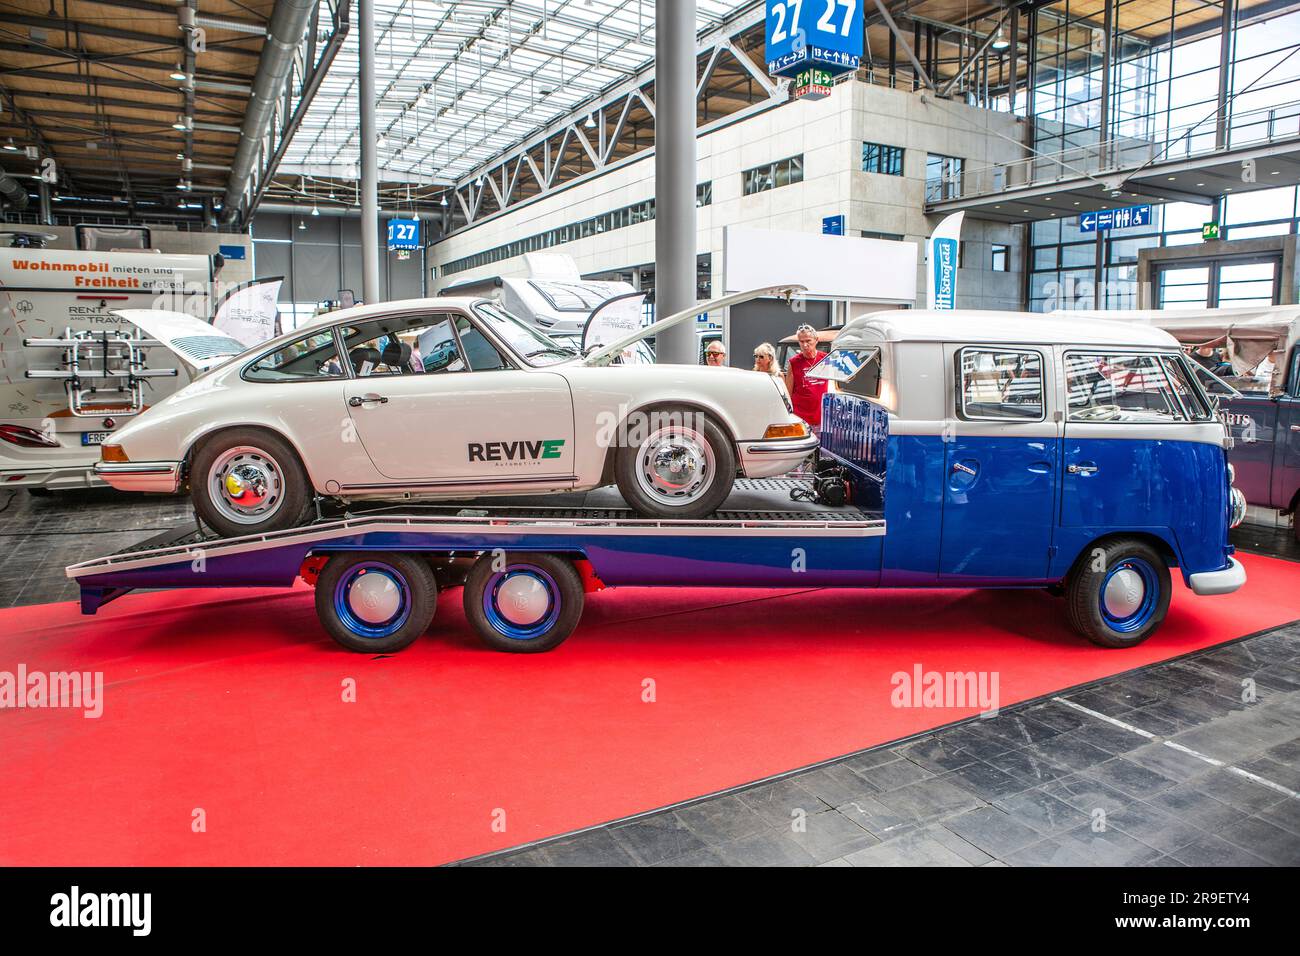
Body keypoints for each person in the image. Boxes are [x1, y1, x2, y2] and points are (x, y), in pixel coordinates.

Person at [784, 324, 827, 427]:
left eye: (808, 341)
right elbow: (788, 392)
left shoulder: (826, 359)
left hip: (822, 416)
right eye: (801, 342)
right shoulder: (793, 362)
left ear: (816, 340)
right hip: (801, 417)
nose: (805, 345)